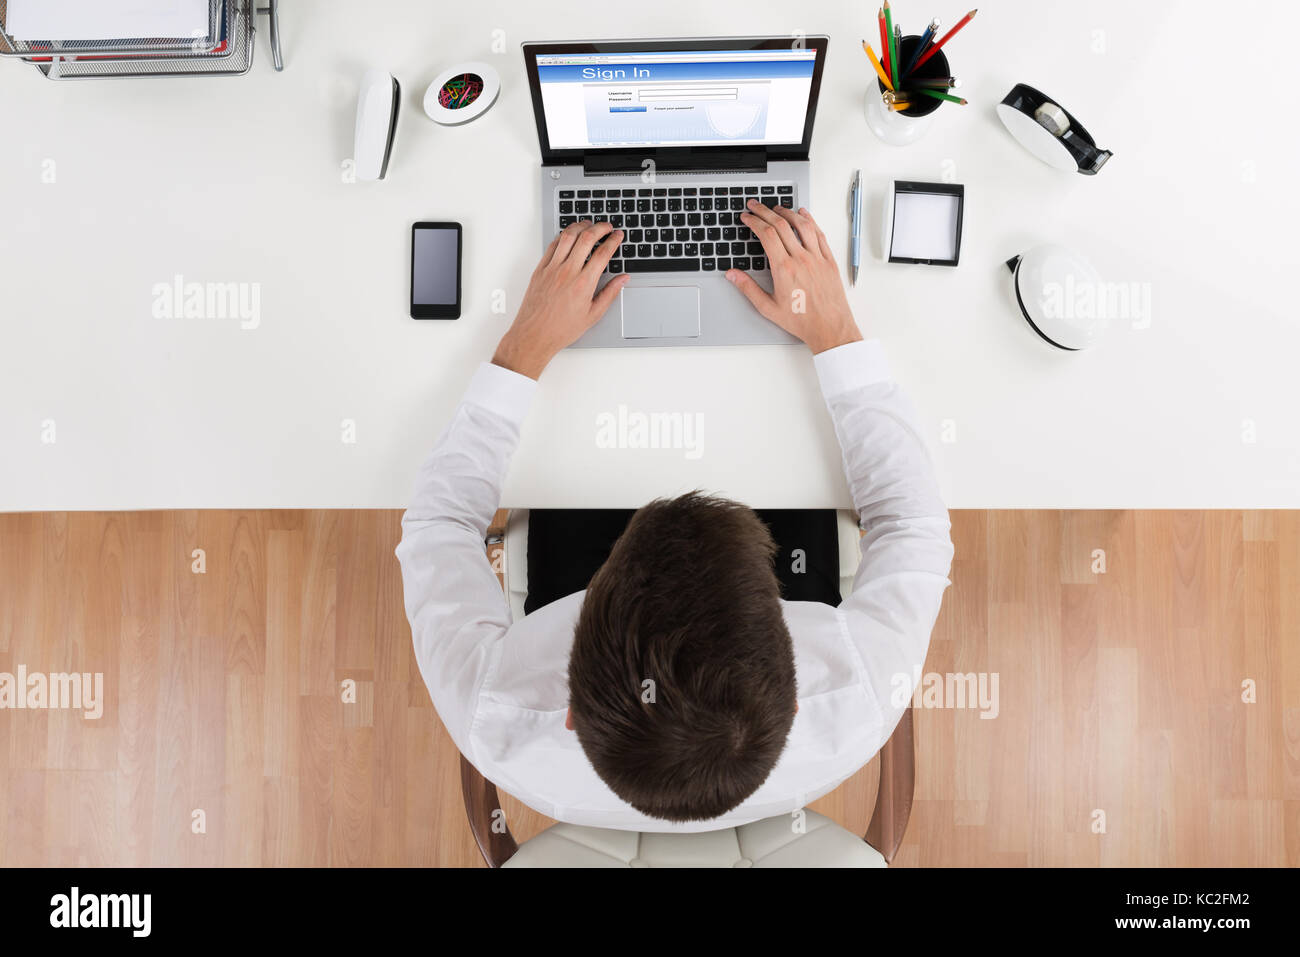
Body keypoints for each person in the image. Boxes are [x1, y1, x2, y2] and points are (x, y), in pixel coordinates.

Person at [396, 200, 953, 831]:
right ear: (796, 698)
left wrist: (524, 345)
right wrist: (835, 333)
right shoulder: (857, 691)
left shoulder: (492, 711)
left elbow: (438, 523)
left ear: (570, 708)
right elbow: (914, 524)